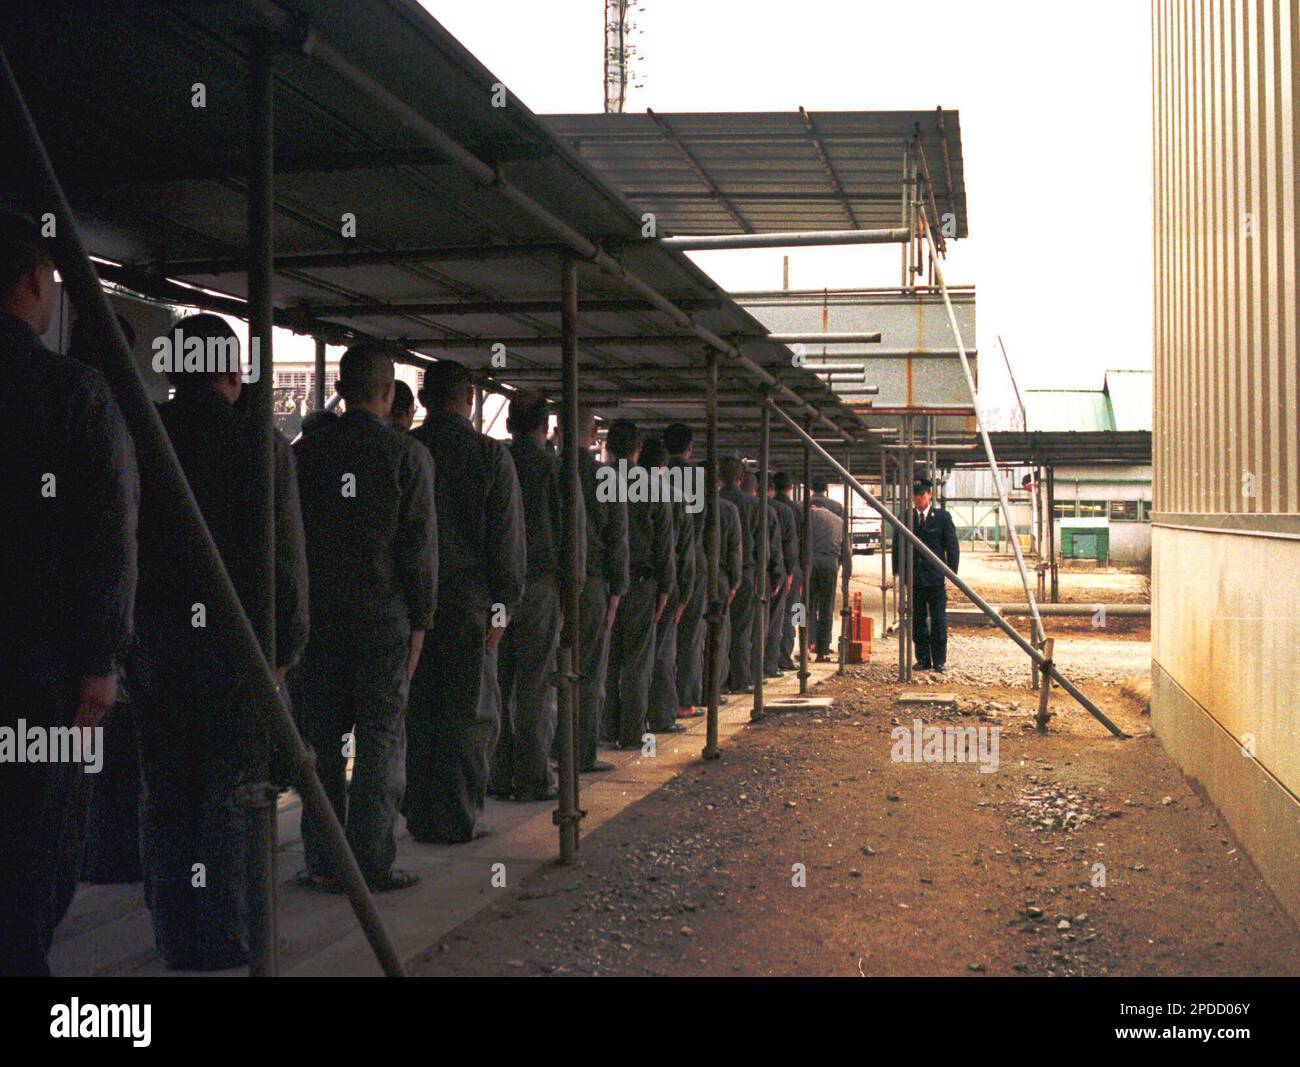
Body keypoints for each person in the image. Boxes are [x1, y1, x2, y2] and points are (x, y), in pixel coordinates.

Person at [130, 312, 309, 967]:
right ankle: (227, 931)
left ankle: (174, 933)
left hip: (157, 642)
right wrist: (287, 648)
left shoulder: (143, 435)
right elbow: (285, 561)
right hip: (240, 650)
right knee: (231, 794)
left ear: (174, 368)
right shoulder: (261, 445)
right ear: (234, 372)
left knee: (168, 790)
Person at [0, 216, 138, 976]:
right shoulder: (72, 391)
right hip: (41, 666)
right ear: (30, 281)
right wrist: (101, 658)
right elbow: (107, 535)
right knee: (37, 838)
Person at [292, 342, 434, 890]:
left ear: (341, 390)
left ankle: (323, 860)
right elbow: (419, 550)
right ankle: (372, 862)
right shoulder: (407, 457)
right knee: (379, 740)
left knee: (322, 743)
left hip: (320, 622)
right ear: (386, 392)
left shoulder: (304, 454)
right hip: (384, 620)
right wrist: (420, 621)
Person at [406, 361, 525, 843]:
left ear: (424, 398)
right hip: (469, 604)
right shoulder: (489, 456)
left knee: (418, 710)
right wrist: (504, 606)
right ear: (469, 397)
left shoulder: (408, 448)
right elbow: (507, 540)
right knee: (470, 713)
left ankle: (418, 813)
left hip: (413, 604)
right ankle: (456, 817)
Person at [490, 392, 585, 802]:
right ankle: (532, 777)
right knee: (535, 686)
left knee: (497, 681)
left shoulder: (497, 462)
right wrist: (572, 595)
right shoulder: (557, 469)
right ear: (546, 428)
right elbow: (572, 537)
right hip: (543, 587)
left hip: (497, 588)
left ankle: (498, 774)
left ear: (509, 425)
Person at [604, 421, 674, 749]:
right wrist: (665, 588)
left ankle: (603, 728)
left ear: (607, 446)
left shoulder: (595, 479)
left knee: (605, 658)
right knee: (637, 661)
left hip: (601, 583)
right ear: (638, 449)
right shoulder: (653, 487)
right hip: (643, 582)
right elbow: (665, 545)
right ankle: (632, 733)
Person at [572, 407, 627, 772]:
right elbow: (616, 540)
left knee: (538, 679)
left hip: (544, 584)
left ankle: (535, 756)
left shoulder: (546, 469)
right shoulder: (602, 478)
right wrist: (616, 592)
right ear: (593, 434)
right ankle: (580, 754)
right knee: (590, 674)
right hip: (591, 584)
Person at [644, 435, 691, 735]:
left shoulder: (615, 490)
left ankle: (613, 725)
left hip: (621, 584)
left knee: (618, 659)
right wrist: (681, 591)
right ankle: (660, 718)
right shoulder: (674, 496)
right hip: (661, 581)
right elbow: (681, 549)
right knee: (661, 653)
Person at [891, 478, 960, 672]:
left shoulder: (942, 517)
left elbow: (952, 545)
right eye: (915, 495)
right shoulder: (905, 517)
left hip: (936, 578)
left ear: (930, 495)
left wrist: (952, 572)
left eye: (922, 494)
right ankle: (922, 659)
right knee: (918, 619)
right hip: (914, 578)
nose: (918, 499)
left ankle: (939, 660)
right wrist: (898, 572)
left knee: (938, 619)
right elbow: (897, 546)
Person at [664, 424, 707, 718]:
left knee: (662, 641)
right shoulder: (696, 478)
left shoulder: (651, 475)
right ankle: (684, 701)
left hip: (658, 564)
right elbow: (699, 525)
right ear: (690, 447)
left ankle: (658, 705)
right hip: (689, 562)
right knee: (690, 637)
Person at [719, 457, 757, 694]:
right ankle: (740, 680)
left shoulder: (712, 502)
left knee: (717, 630)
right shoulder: (753, 504)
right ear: (741, 478)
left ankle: (717, 682)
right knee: (742, 629)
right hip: (746, 570)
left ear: (719, 478)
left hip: (717, 573)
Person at [746, 471, 785, 682]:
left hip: (735, 574)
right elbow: (779, 547)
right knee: (778, 621)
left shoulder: (721, 504)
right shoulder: (778, 511)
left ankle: (728, 678)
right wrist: (780, 575)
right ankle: (777, 661)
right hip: (767, 574)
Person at [710, 475, 744, 701]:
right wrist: (735, 582)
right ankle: (724, 683)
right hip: (725, 576)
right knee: (727, 633)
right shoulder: (728, 509)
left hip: (698, 573)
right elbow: (734, 549)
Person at [770, 472, 802, 672]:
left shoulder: (769, 507)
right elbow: (801, 541)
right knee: (793, 613)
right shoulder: (797, 510)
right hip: (792, 568)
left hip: (770, 566)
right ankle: (785, 656)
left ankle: (769, 659)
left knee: (770, 616)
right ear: (791, 488)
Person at [808, 498, 844, 662]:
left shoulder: (809, 516)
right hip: (830, 563)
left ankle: (805, 646)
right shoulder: (838, 521)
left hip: (809, 562)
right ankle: (823, 651)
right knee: (826, 607)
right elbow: (845, 550)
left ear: (813, 506)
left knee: (802, 606)